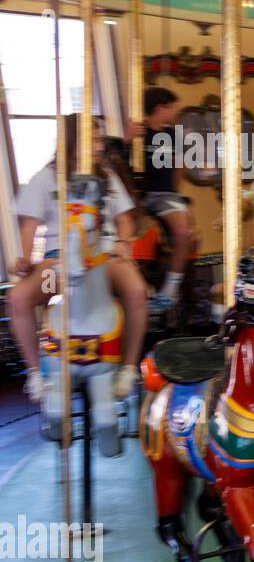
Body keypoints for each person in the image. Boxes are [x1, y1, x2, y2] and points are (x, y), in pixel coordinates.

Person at [10, 115, 148, 403]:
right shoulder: (46, 178)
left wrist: (123, 241)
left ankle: (128, 367)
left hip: (105, 255)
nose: (99, 146)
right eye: (94, 140)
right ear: (75, 142)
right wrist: (24, 258)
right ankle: (35, 372)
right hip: (58, 263)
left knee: (136, 292)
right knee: (20, 298)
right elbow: (29, 225)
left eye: (99, 140)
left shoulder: (106, 177)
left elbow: (125, 219)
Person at [125, 86, 192, 315]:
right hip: (138, 196)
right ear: (160, 108)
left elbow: (178, 167)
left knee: (184, 233)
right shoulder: (138, 132)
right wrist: (127, 138)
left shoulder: (173, 134)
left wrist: (174, 192)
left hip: (164, 195)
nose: (175, 111)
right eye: (172, 107)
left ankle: (169, 291)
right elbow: (118, 160)